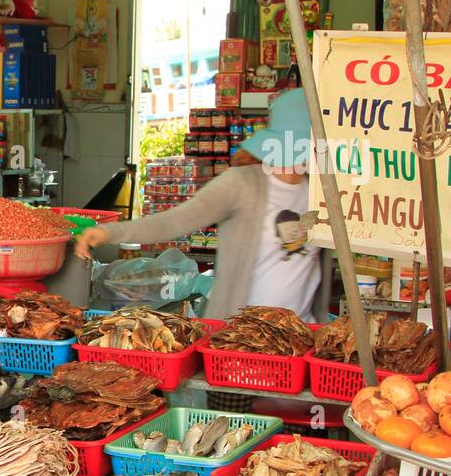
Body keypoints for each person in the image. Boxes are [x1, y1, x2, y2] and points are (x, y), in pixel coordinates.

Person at [76, 89, 324, 323]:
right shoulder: (242, 184)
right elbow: (176, 221)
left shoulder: (321, 193)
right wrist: (111, 233)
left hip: (303, 337)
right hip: (243, 340)